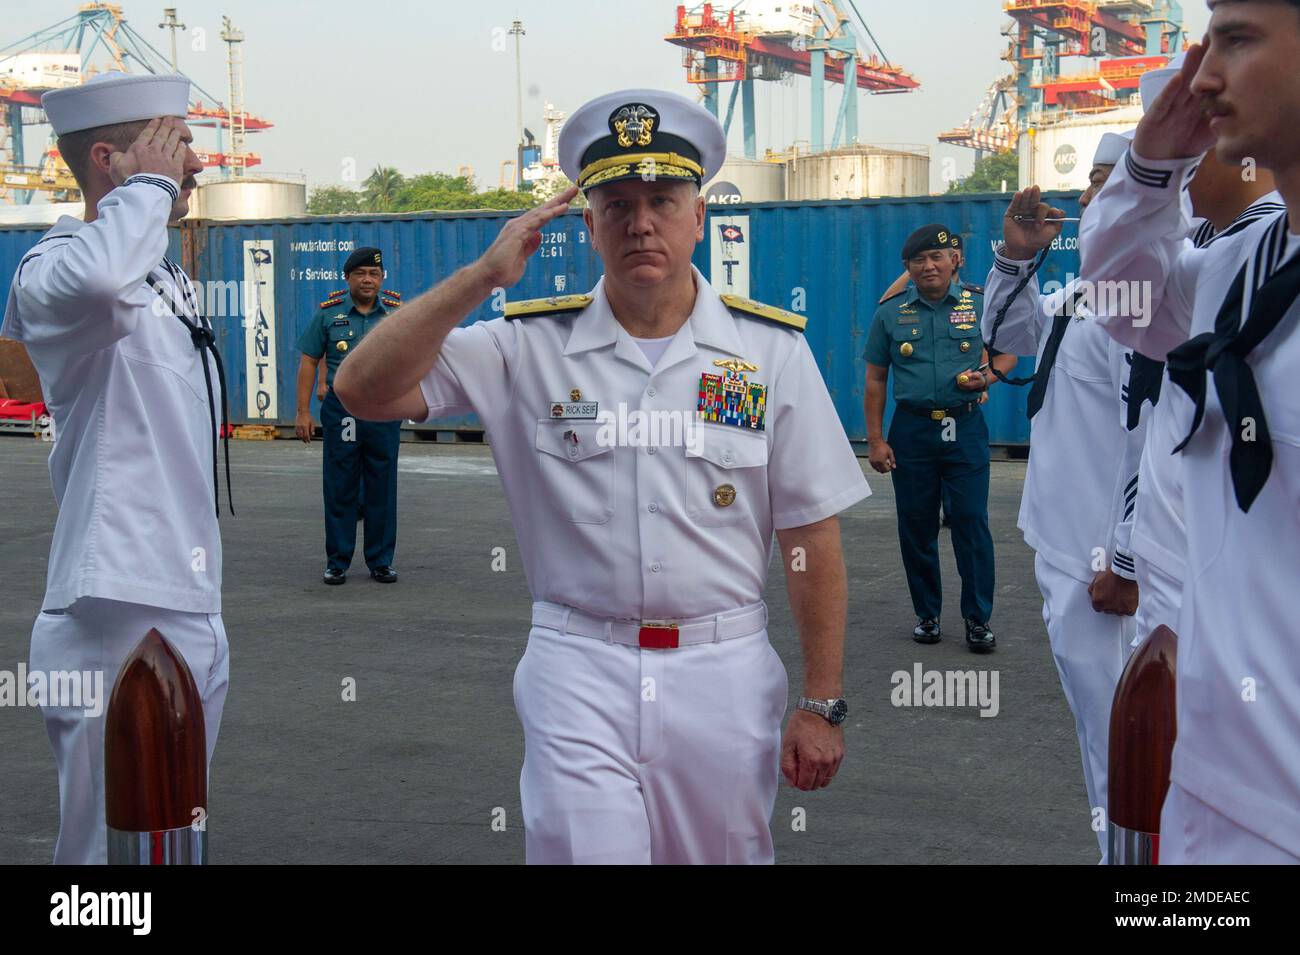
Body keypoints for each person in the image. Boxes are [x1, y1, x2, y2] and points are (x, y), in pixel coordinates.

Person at [335, 89, 870, 864]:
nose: (640, 221)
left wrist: (823, 699)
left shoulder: (769, 353)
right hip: (578, 663)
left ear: (698, 216)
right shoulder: (525, 347)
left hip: (720, 671)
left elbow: (810, 534)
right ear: (587, 225)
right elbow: (361, 387)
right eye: (616, 203)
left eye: (662, 199)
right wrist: (484, 277)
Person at [1081, 8, 1300, 863]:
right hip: (1215, 786)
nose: (1204, 76)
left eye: (1237, 39)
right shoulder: (1244, 271)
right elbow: (1122, 293)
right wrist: (1149, 166)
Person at [0, 73, 229, 864]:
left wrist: (153, 189)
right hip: (116, 602)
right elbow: (95, 279)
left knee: (171, 841)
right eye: (175, 144)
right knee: (110, 857)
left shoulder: (162, 277)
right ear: (110, 160)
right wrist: (150, 190)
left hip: (180, 593)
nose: (195, 163)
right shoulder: (56, 266)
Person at [980, 133, 1148, 862]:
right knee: (1099, 734)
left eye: (1104, 182)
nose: (1083, 198)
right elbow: (1005, 335)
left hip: (1108, 566)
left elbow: (1151, 438)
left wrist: (1129, 559)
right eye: (1087, 183)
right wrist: (1017, 256)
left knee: (1130, 742)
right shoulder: (1082, 293)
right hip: (1062, 545)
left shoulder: (1148, 305)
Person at [864, 225, 1012, 650]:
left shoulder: (981, 304)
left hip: (964, 427)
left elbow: (1007, 352)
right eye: (919, 260)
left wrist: (986, 376)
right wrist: (875, 441)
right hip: (910, 430)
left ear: (956, 261)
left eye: (937, 257)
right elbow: (875, 379)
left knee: (971, 522)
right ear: (908, 268)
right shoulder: (890, 313)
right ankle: (926, 614)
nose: (928, 266)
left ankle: (978, 620)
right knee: (916, 525)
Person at [295, 248, 402, 584]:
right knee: (340, 485)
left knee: (381, 486)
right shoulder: (328, 314)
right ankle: (337, 561)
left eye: (373, 273)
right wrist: (302, 412)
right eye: (360, 274)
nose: (367, 279)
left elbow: (415, 357)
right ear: (348, 278)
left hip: (384, 409)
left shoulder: (398, 314)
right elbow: (309, 361)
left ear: (382, 278)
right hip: (342, 410)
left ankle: (380, 561)